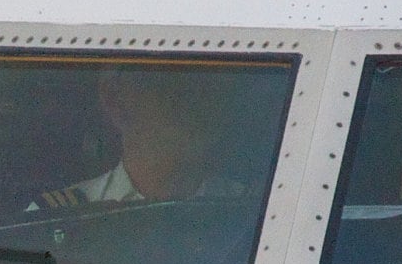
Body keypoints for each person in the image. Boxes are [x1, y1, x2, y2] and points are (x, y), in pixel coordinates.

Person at [27, 65, 247, 211]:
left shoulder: (255, 210)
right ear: (116, 101)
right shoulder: (56, 216)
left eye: (211, 87)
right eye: (175, 85)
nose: (200, 103)